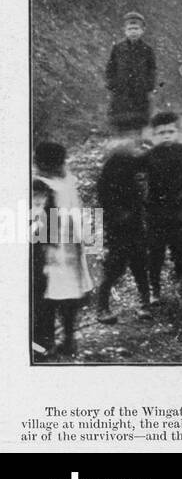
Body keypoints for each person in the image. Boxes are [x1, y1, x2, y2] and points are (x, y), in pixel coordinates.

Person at [31, 142, 93, 358]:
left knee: (51, 299)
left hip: (57, 251)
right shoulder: (59, 182)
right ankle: (58, 341)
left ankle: (54, 342)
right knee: (60, 297)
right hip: (60, 250)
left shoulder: (47, 184)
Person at [143, 112, 182, 301]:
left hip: (179, 214)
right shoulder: (149, 157)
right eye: (161, 132)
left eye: (171, 131)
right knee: (156, 253)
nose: (167, 135)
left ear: (177, 132)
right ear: (154, 134)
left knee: (181, 252)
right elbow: (141, 186)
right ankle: (154, 289)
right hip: (156, 214)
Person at [94, 140, 155, 324]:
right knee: (115, 265)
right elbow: (103, 194)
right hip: (117, 225)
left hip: (137, 222)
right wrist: (117, 215)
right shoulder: (115, 164)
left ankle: (144, 304)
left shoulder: (144, 163)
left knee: (141, 264)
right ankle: (102, 307)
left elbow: (149, 192)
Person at [105, 12, 157, 135]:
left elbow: (152, 69)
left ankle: (137, 145)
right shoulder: (118, 48)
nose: (133, 32)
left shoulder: (147, 49)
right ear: (124, 30)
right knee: (120, 124)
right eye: (130, 29)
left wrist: (149, 86)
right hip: (121, 93)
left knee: (138, 124)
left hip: (140, 94)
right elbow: (110, 68)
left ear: (142, 30)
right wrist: (112, 84)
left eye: (136, 29)